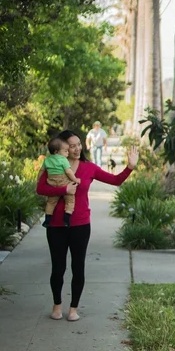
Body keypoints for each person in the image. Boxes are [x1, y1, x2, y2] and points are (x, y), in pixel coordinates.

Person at [36, 130, 139, 322]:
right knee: (58, 268)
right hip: (56, 225)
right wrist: (63, 189)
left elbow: (115, 181)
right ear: (63, 148)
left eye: (78, 144)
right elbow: (40, 188)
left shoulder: (88, 167)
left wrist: (130, 167)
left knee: (78, 267)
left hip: (80, 225)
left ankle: (73, 308)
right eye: (71, 145)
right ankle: (57, 306)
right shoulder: (52, 165)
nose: (76, 149)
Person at [41, 138, 81, 227]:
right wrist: (75, 179)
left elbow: (41, 171)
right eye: (65, 151)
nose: (67, 153)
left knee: (51, 202)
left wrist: (38, 179)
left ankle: (47, 220)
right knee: (70, 200)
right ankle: (67, 218)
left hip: (52, 183)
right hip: (63, 182)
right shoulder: (63, 160)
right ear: (56, 151)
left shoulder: (47, 160)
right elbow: (68, 172)